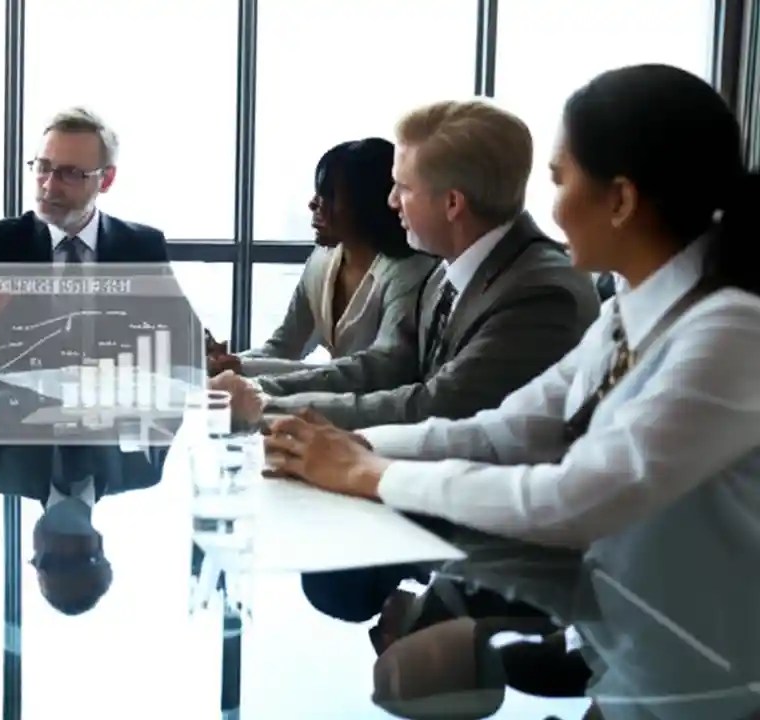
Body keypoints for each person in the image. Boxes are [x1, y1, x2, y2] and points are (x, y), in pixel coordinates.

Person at [265, 64, 760, 720]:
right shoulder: (629, 313)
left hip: (703, 685)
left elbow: (575, 498)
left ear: (620, 200)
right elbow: (504, 431)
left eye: (558, 180)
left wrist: (369, 472)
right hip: (631, 652)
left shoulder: (729, 332)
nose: (549, 208)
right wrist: (349, 446)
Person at [217, 99, 601, 624]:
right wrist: (270, 399)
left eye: (402, 187)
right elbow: (387, 369)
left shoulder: (540, 291)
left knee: (331, 578)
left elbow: (441, 406)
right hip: (446, 498)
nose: (391, 201)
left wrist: (272, 412)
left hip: (509, 549)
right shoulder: (449, 270)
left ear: (452, 203)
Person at [0, 107, 174, 357]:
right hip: (19, 386)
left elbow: (181, 334)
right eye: (43, 167)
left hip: (111, 383)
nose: (49, 186)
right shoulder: (2, 241)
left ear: (106, 180)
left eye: (70, 173)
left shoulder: (141, 246)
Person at [213, 138, 437, 377]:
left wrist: (242, 367)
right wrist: (225, 362)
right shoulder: (321, 261)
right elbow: (284, 346)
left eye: (328, 195)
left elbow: (379, 370)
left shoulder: (408, 272)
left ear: (367, 203)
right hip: (332, 396)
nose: (313, 204)